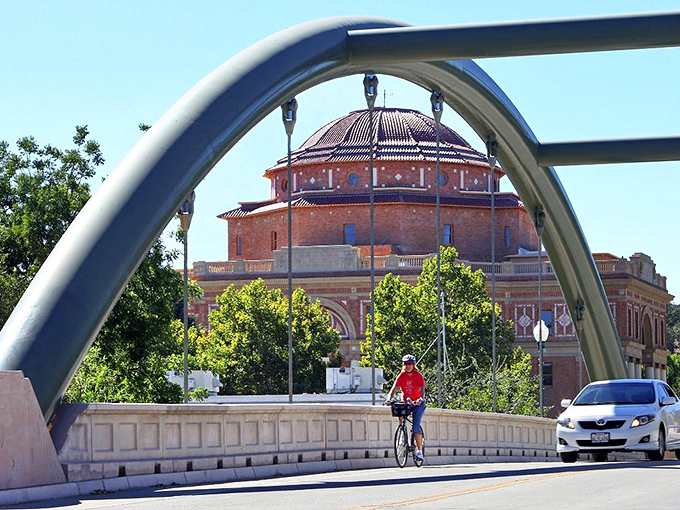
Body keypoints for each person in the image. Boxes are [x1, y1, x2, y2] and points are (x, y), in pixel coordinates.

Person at [385, 354, 426, 460]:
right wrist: (389, 399)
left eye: (410, 364)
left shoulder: (418, 376)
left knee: (415, 427)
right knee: (399, 411)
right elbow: (394, 389)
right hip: (407, 402)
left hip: (417, 403)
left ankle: (419, 451)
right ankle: (403, 434)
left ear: (413, 365)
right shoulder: (401, 376)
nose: (408, 366)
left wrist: (420, 398)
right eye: (405, 364)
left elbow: (422, 389)